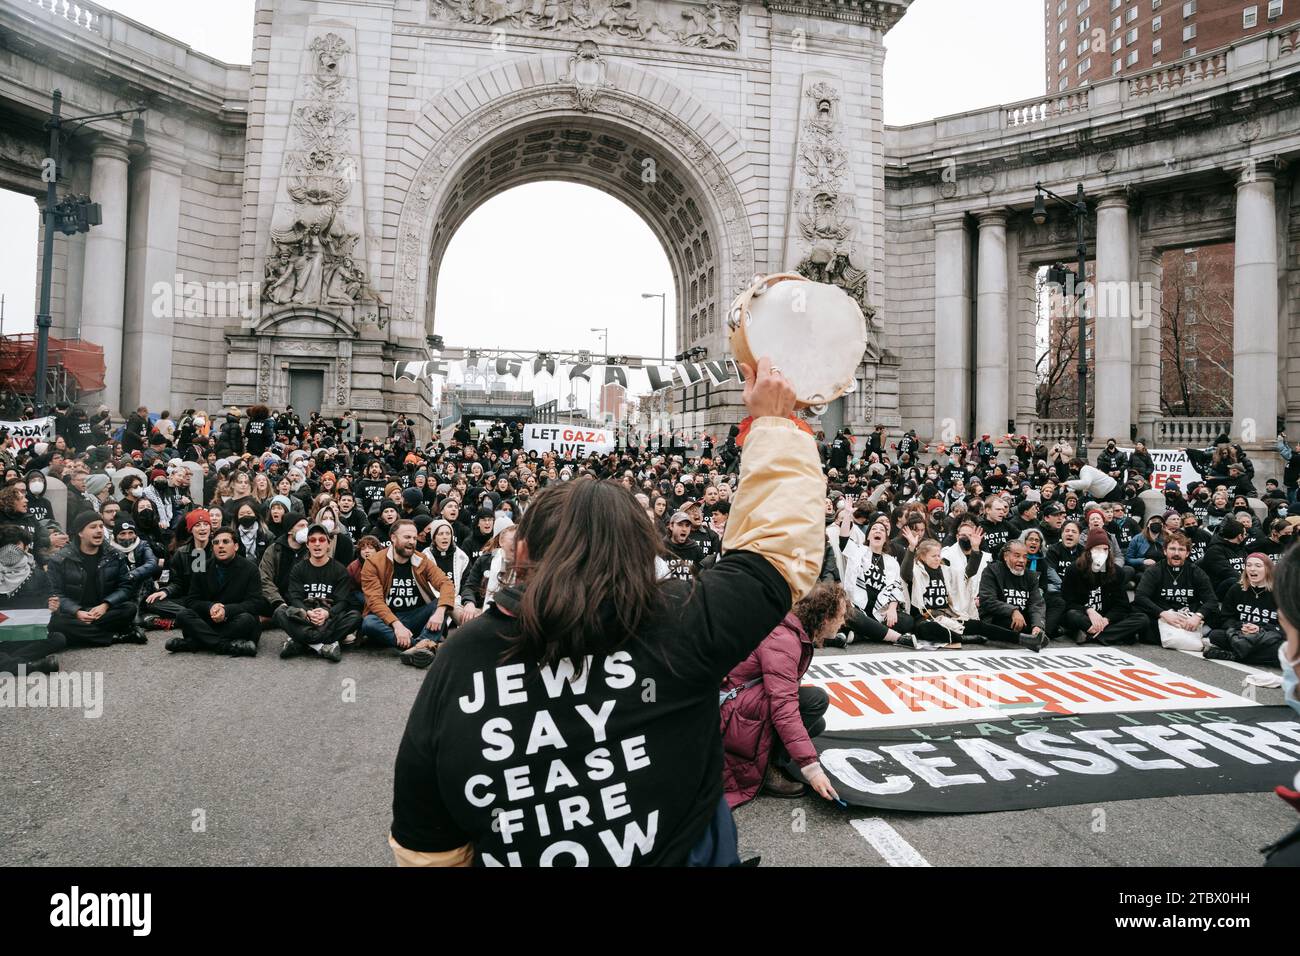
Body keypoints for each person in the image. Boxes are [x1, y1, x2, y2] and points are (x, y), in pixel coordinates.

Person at [389, 357, 823, 867]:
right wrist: (774, 424)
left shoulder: (459, 660)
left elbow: (426, 848)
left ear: (521, 552)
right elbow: (776, 554)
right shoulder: (681, 624)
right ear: (643, 553)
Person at [720, 581, 843, 804]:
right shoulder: (785, 640)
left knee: (817, 724)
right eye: (841, 616)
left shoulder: (789, 628)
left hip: (735, 705)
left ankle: (770, 754)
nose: (843, 622)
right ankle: (766, 768)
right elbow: (783, 707)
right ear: (825, 618)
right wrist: (812, 769)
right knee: (815, 700)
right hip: (731, 714)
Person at [360, 518, 455, 668]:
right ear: (393, 538)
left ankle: (418, 646)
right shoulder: (373, 563)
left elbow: (446, 583)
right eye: (407, 537)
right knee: (369, 622)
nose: (412, 541)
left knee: (441, 604)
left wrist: (440, 611)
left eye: (414, 538)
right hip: (389, 621)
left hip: (416, 617)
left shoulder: (421, 560)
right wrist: (397, 625)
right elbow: (375, 601)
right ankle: (424, 646)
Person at [47, 510, 145, 647]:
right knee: (55, 622)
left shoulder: (114, 555)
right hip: (75, 613)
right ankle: (116, 637)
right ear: (80, 533)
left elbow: (125, 587)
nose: (99, 531)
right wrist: (76, 611)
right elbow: (55, 593)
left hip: (102, 611)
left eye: (100, 526)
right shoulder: (60, 559)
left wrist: (106, 605)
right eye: (93, 527)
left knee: (129, 609)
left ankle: (80, 635)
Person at [168, 526, 263, 656]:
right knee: (183, 615)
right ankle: (225, 646)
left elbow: (255, 603)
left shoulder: (250, 568)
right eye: (216, 543)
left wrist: (226, 610)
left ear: (235, 546)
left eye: (225, 542)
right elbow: (191, 600)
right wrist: (210, 607)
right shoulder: (202, 566)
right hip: (209, 620)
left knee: (247, 619)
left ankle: (194, 643)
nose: (220, 546)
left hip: (234, 619)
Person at [279, 523, 361, 662]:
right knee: (280, 612)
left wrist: (327, 613)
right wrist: (307, 612)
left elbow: (342, 601)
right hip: (304, 616)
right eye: (312, 540)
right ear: (307, 545)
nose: (317, 544)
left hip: (328, 618)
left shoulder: (340, 570)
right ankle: (320, 646)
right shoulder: (298, 569)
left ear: (328, 544)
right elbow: (295, 597)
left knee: (355, 616)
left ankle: (300, 641)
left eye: (322, 540)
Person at [1060, 528, 1148, 646]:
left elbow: (1122, 605)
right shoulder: (1074, 570)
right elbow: (1068, 602)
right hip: (1084, 616)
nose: (1102, 553)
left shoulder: (1117, 572)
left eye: (1105, 549)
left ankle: (1094, 635)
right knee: (1072, 615)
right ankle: (1114, 635)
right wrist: (1089, 610)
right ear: (1089, 551)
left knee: (1142, 619)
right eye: (1097, 549)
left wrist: (1106, 620)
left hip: (1107, 618)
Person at [1134, 532, 1219, 650]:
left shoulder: (1196, 572)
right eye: (1172, 549)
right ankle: (1197, 637)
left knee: (1217, 615)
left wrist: (1197, 616)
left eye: (1181, 549)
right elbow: (1140, 597)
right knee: (1139, 617)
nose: (1176, 553)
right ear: (1165, 551)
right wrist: (1163, 613)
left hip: (1188, 616)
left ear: (1187, 553)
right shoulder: (1154, 571)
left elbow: (1211, 600)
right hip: (1162, 615)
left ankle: (1196, 634)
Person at [0, 525, 62, 676]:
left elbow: (48, 610)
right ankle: (31, 666)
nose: (10, 550)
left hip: (24, 635)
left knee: (58, 638)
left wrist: (53, 608)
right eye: (5, 545)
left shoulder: (38, 574)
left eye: (15, 545)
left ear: (26, 547)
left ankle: (10, 663)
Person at [1204, 553, 1283, 665]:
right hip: (1240, 634)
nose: (1252, 569)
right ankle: (1253, 657)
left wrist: (1259, 628)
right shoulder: (1236, 589)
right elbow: (1225, 618)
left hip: (1267, 638)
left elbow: (1286, 628)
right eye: (1249, 565)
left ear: (1268, 569)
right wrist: (1241, 626)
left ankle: (1234, 656)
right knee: (1215, 635)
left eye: (1258, 566)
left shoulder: (1280, 594)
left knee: (1285, 648)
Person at [141, 509, 211, 630]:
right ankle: (196, 618)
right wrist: (165, 591)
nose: (202, 528)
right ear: (190, 529)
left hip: (212, 600)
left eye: (206, 524)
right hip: (189, 600)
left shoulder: (218, 549)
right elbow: (178, 583)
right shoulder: (182, 553)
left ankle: (178, 622)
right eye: (197, 525)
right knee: (153, 602)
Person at [976, 539, 1048, 651]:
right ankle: (1032, 637)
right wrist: (1013, 611)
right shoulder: (992, 570)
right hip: (998, 617)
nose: (1022, 560)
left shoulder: (1031, 576)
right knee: (1004, 624)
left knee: (1055, 603)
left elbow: (1036, 603)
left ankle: (1036, 633)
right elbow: (987, 600)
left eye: (1025, 557)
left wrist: (1037, 625)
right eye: (1017, 556)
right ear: (1006, 556)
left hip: (1023, 617)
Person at [663, 510, 704, 580]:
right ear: (671, 526)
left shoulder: (696, 549)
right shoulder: (661, 547)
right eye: (680, 525)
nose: (684, 529)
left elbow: (701, 576)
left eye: (687, 525)